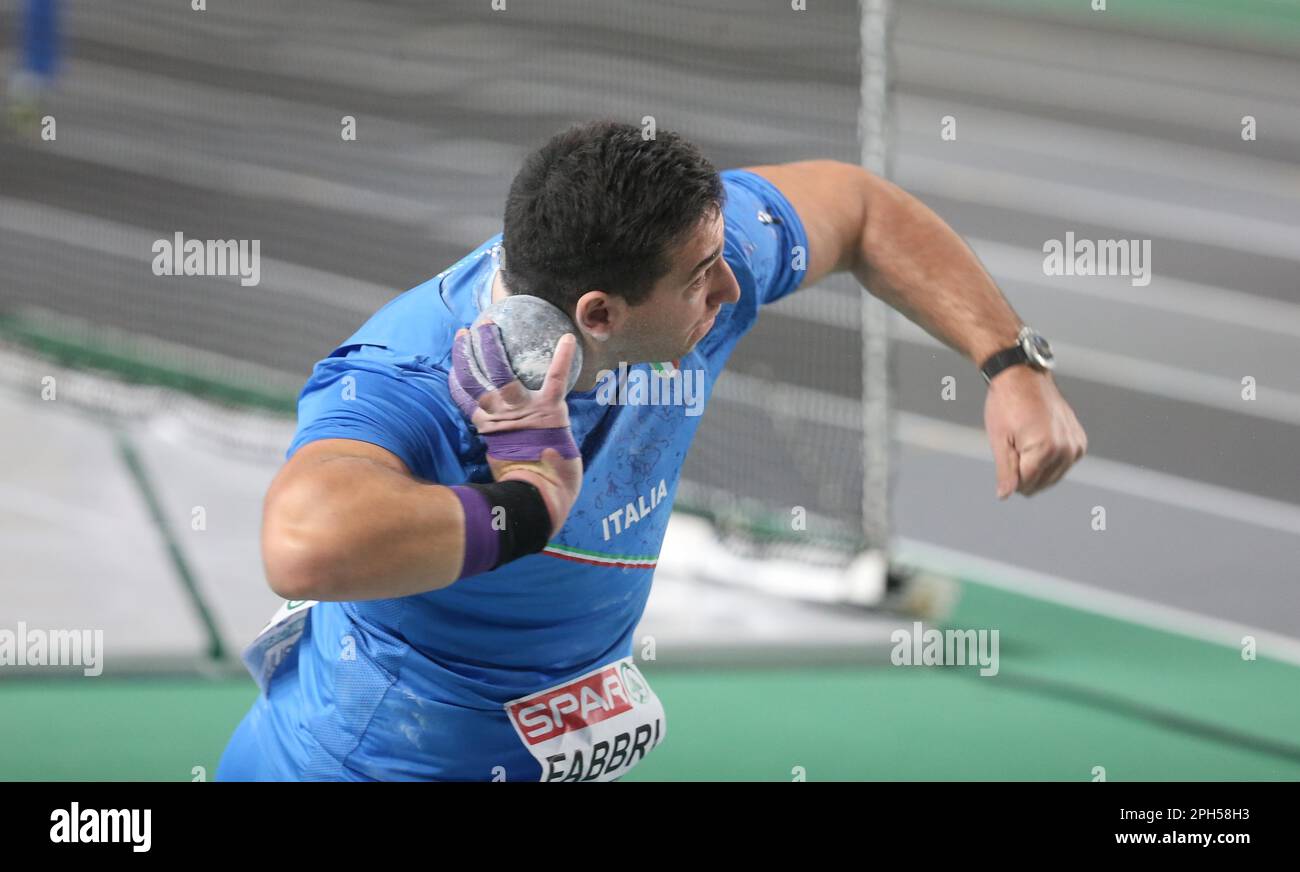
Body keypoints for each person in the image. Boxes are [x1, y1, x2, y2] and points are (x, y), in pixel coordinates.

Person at [216, 120, 1086, 782]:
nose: (734, 284)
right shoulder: (419, 373)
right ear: (599, 314)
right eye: (703, 275)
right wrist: (528, 504)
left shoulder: (681, 267)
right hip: (364, 765)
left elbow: (857, 207)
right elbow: (303, 545)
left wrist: (1012, 364)